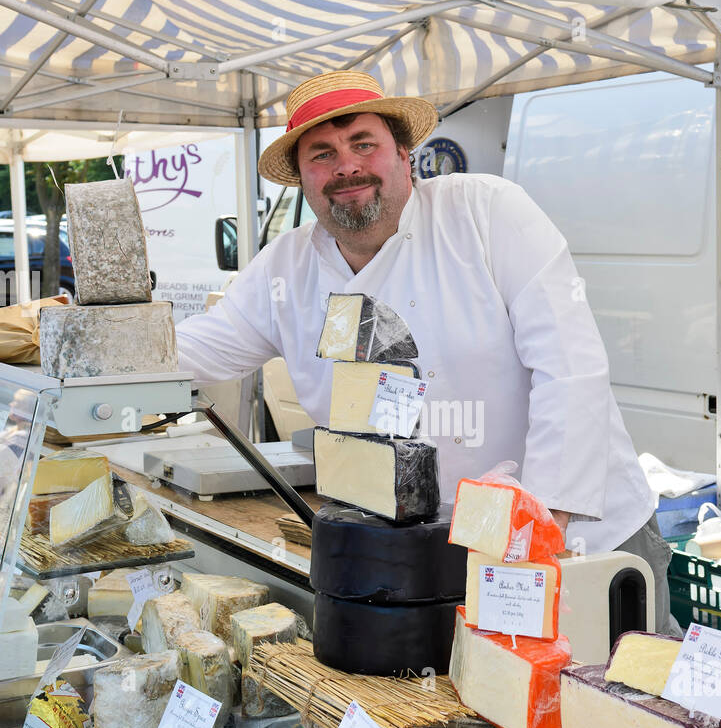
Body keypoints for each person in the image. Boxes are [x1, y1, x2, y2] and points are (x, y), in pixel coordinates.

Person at [175, 70, 676, 630]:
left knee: (631, 700)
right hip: (431, 554)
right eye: (322, 154)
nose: (346, 167)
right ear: (301, 178)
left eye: (363, 144)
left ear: (404, 154)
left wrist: (544, 522)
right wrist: (77, 335)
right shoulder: (285, 269)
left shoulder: (487, 213)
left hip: (581, 534)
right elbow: (198, 351)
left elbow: (570, 367)